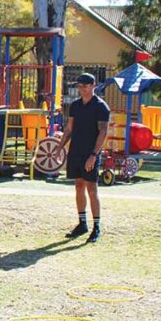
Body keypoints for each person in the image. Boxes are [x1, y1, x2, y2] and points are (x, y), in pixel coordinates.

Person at [59, 73, 110, 243]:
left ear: (93, 85)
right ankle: (82, 223)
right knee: (78, 186)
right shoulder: (75, 106)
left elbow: (103, 132)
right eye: (79, 86)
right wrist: (59, 147)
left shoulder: (101, 107)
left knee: (92, 189)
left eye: (85, 85)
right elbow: (69, 128)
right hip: (76, 151)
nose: (81, 89)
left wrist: (94, 155)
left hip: (90, 153)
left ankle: (96, 227)